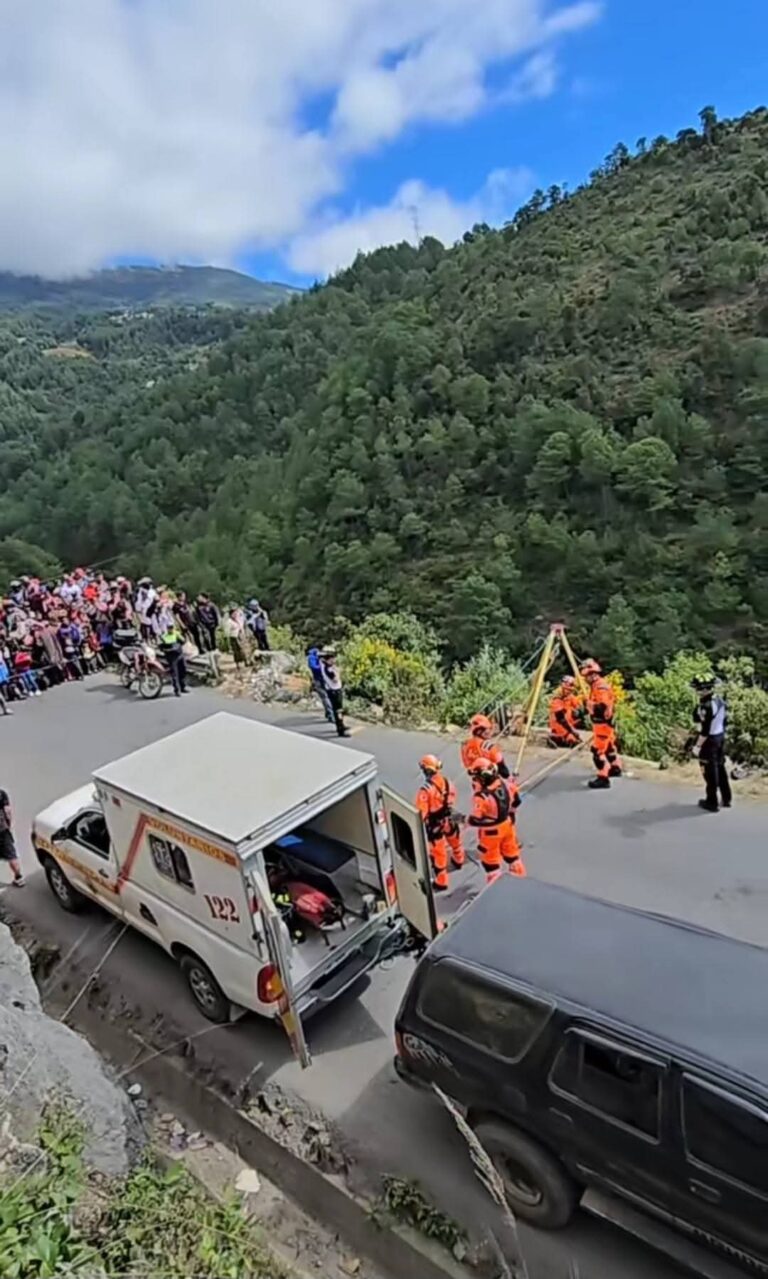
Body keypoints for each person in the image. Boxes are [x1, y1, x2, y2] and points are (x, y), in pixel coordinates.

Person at [467, 758, 525, 883]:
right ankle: (521, 882)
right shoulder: (507, 785)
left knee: (491, 865)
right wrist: (511, 814)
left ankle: (495, 891)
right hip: (507, 826)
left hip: (491, 833)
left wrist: (468, 821)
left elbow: (476, 819)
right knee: (513, 856)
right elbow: (517, 801)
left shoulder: (482, 797)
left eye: (476, 777)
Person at [415, 755, 465, 892]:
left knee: (438, 852)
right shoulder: (448, 783)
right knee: (455, 839)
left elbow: (421, 813)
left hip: (434, 824)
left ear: (427, 770)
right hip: (447, 819)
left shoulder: (425, 791)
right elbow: (452, 798)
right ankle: (459, 859)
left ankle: (441, 881)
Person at [692, 677, 732, 813]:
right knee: (720, 767)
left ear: (704, 689)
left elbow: (705, 730)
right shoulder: (719, 700)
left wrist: (697, 746)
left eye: (697, 689)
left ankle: (711, 801)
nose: (696, 691)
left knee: (710, 772)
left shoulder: (706, 706)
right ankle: (727, 798)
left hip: (710, 741)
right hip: (720, 737)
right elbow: (724, 720)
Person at [581, 659, 622, 790]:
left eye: (586, 676)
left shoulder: (600, 686)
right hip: (604, 724)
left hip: (603, 724)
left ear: (592, 674)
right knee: (609, 747)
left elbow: (602, 706)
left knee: (597, 751)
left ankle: (603, 777)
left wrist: (590, 706)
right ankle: (615, 768)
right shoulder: (596, 686)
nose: (585, 679)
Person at [460, 713, 510, 778]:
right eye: (488, 729)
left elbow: (467, 766)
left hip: (477, 781)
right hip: (492, 781)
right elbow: (504, 772)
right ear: (479, 731)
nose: (490, 732)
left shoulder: (464, 746)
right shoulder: (489, 747)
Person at [319, 648, 350, 737]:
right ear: (328, 660)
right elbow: (335, 680)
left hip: (332, 690)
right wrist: (338, 672)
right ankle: (340, 729)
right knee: (338, 711)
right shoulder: (328, 669)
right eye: (332, 659)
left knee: (339, 710)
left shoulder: (323, 665)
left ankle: (341, 725)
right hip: (335, 691)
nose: (334, 660)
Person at [547, 675, 582, 748]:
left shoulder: (569, 696)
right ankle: (555, 737)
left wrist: (577, 711)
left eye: (571, 690)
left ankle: (563, 738)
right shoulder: (556, 700)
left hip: (568, 725)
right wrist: (572, 730)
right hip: (559, 725)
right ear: (563, 688)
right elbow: (561, 719)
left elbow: (579, 707)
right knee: (571, 740)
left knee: (574, 740)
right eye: (568, 690)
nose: (569, 692)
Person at [0, 786, 23, 886]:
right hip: (2, 829)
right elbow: (7, 811)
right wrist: (8, 825)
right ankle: (19, 878)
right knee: (11, 855)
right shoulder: (1, 793)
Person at [158, 622, 189, 696]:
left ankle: (182, 687)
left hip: (179, 654)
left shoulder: (176, 634)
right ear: (167, 628)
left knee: (183, 670)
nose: (171, 629)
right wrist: (166, 650)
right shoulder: (164, 636)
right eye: (169, 628)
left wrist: (180, 636)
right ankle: (177, 690)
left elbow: (183, 641)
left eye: (172, 627)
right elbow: (161, 647)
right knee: (175, 674)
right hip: (171, 657)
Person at [307, 645, 333, 722]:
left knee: (328, 696)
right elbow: (314, 668)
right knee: (325, 697)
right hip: (318, 679)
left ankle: (328, 713)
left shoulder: (319, 656)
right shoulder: (312, 657)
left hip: (325, 679)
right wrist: (323, 665)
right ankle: (331, 714)